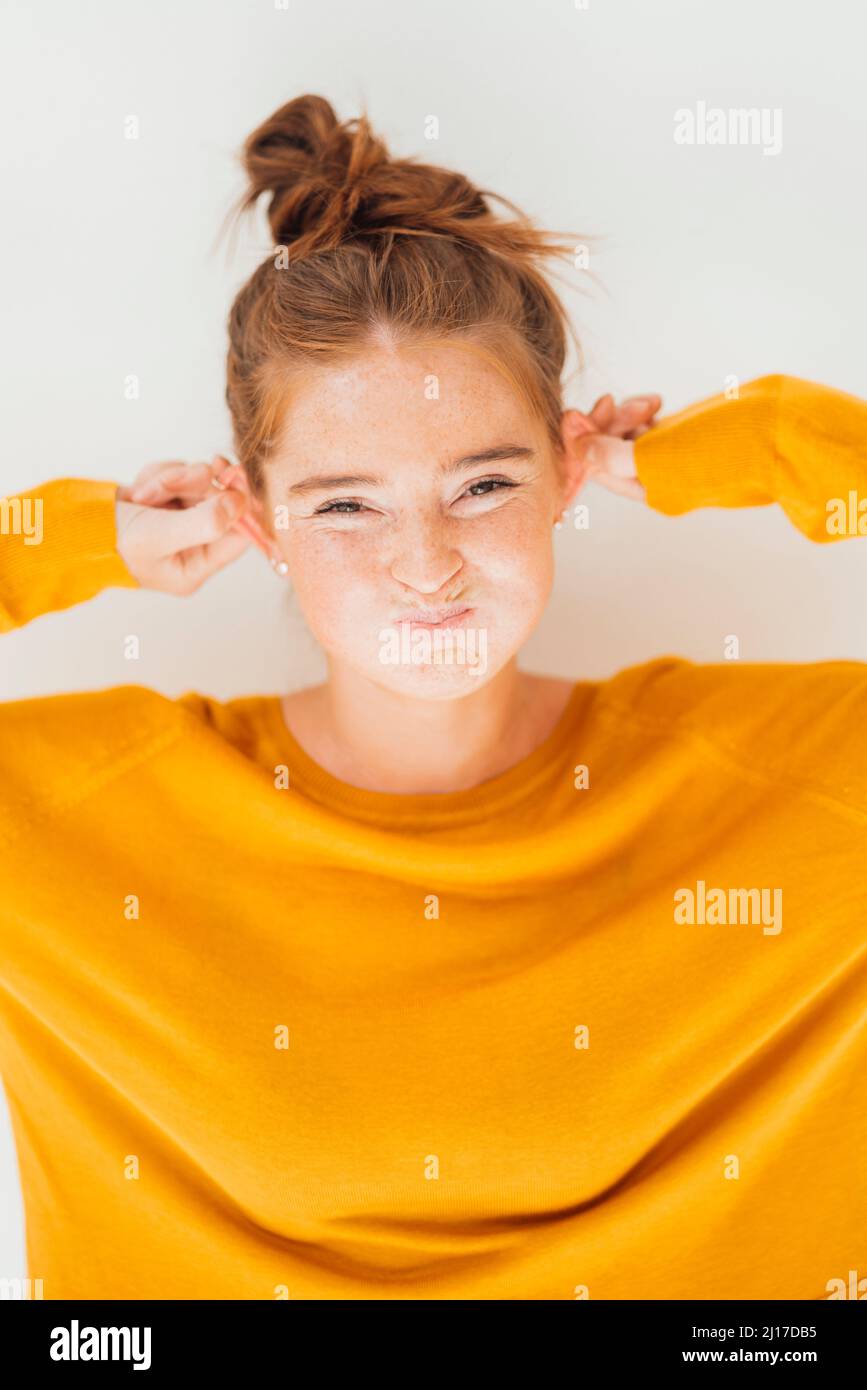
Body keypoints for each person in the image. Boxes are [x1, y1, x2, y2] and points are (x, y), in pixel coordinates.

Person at [1, 93, 864, 1302]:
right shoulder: (70, 822)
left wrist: (749, 444)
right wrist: (81, 543)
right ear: (256, 517)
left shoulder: (803, 780)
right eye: (347, 502)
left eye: (482, 484)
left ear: (568, 469)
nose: (427, 563)